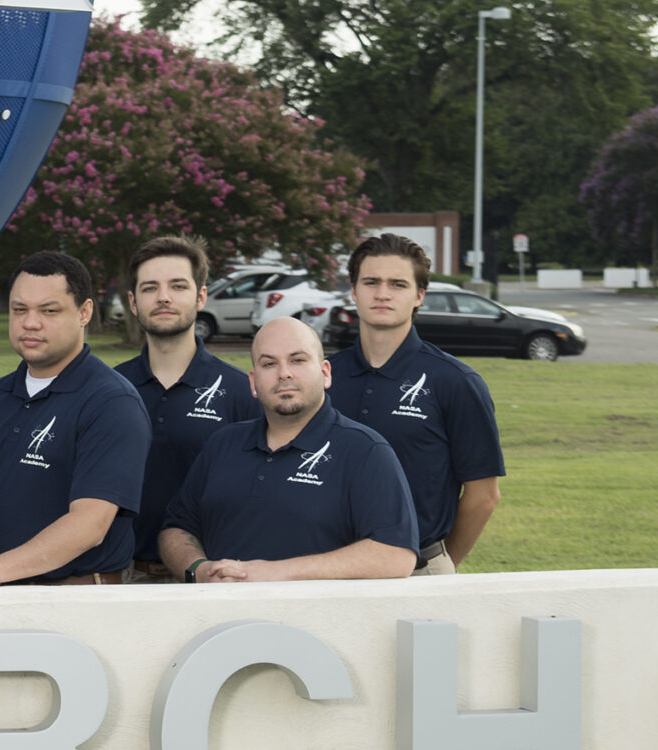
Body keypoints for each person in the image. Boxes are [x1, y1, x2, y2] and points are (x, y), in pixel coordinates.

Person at [0, 252, 148, 588]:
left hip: (74, 601)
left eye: (49, 310)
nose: (30, 323)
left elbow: (89, 525)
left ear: (84, 312)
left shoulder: (111, 403)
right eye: (20, 310)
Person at [159, 317, 419, 582]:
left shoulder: (365, 451)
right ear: (252, 382)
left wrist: (275, 573)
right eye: (269, 363)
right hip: (223, 620)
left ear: (326, 372)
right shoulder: (222, 444)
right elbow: (177, 529)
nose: (284, 373)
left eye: (297, 360)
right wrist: (199, 570)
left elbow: (395, 555)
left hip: (313, 621)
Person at [325, 232, 505, 574]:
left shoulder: (455, 381)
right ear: (353, 291)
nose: (382, 294)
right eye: (371, 282)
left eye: (397, 284)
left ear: (419, 295)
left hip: (420, 567)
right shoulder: (325, 376)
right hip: (326, 566)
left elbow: (484, 495)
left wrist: (438, 563)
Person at [114, 234, 258, 578]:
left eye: (178, 286)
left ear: (201, 296)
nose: (163, 297)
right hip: (118, 575)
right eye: (150, 288)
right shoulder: (107, 390)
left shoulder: (241, 392)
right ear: (133, 302)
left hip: (209, 576)